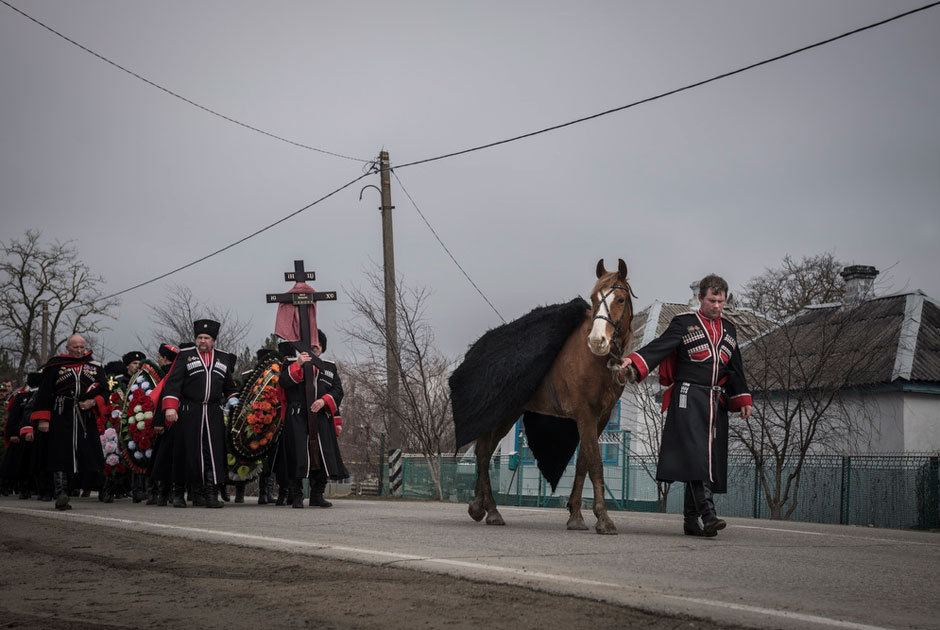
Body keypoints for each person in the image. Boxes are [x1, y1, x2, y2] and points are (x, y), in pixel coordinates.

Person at [621, 274, 752, 537]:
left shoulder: (730, 329)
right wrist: (634, 362)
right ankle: (709, 515)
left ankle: (691, 522)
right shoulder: (684, 323)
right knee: (696, 455)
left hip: (716, 401)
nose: (717, 306)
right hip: (687, 397)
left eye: (721, 301)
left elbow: (734, 365)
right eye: (712, 300)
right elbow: (660, 347)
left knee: (707, 457)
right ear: (701, 298)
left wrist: (742, 397)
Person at [160, 321, 237, 508]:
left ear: (213, 340)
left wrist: (234, 401)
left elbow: (228, 386)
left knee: (213, 453)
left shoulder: (224, 358)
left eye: (206, 338)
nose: (202, 341)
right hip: (189, 410)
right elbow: (173, 382)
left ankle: (210, 494)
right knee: (185, 452)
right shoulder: (185, 356)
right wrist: (170, 406)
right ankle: (178, 492)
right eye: (200, 338)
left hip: (212, 411)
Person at [27, 335, 108, 511]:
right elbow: (45, 393)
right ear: (68, 348)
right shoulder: (55, 366)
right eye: (75, 347)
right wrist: (43, 419)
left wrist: (93, 402)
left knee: (90, 452)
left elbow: (105, 391)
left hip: (85, 417)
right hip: (61, 414)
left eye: (82, 347)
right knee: (60, 453)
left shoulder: (95, 367)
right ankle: (61, 492)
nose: (79, 350)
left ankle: (103, 487)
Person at [275, 330, 347, 509]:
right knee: (298, 454)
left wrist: (324, 401)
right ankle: (297, 495)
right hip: (297, 415)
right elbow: (283, 383)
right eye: (311, 344)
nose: (314, 347)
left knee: (322, 455)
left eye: (318, 345)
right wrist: (299, 364)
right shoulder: (291, 363)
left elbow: (338, 390)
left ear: (322, 348)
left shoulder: (330, 366)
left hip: (321, 417)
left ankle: (317, 495)